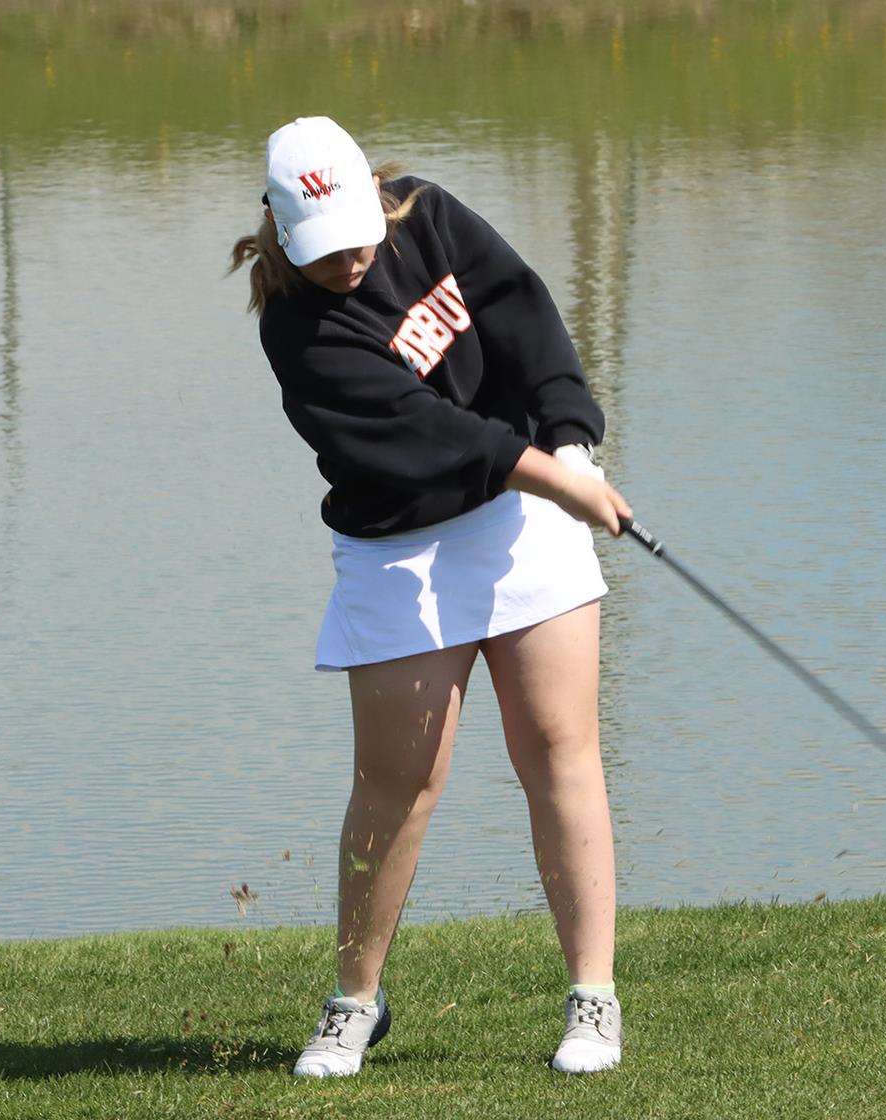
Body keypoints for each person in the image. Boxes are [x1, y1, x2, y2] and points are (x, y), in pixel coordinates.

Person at [230, 116, 633, 1078]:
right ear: (280, 231)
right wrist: (555, 475)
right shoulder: (298, 329)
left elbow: (523, 314)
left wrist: (571, 436)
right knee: (399, 781)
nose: (351, 261)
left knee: (560, 750)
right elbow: (425, 432)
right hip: (400, 546)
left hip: (525, 507)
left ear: (376, 197)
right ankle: (355, 1002)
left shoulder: (432, 218)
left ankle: (593, 998)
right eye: (325, 249)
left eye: (360, 236)